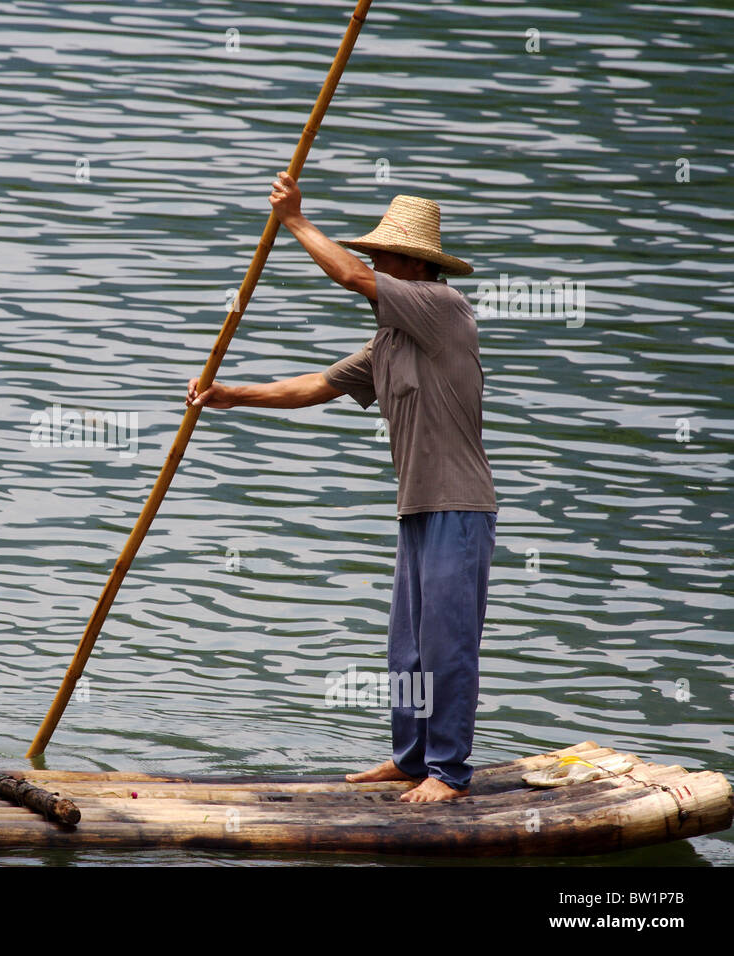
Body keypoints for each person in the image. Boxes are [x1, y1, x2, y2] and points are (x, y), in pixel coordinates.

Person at [187, 174, 497, 802]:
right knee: (407, 650)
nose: (373, 263)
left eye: (383, 254)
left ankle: (450, 774)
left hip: (459, 507)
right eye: (374, 254)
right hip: (417, 507)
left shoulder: (442, 309)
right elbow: (313, 388)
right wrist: (229, 396)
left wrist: (295, 221)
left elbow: (351, 277)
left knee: (445, 644)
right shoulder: (389, 341)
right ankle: (412, 760)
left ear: (413, 266)